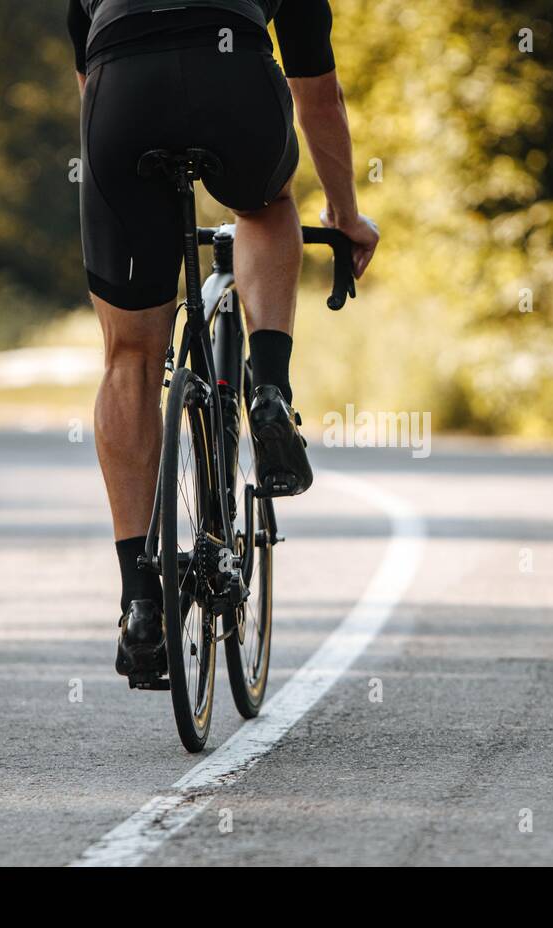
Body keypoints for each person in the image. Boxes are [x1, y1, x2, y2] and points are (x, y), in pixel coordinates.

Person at [67, 0, 379, 682]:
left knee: (128, 359)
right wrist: (346, 214)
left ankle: (140, 602)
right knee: (265, 207)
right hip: (233, 75)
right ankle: (268, 389)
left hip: (122, 89)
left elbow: (90, 82)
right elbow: (317, 97)